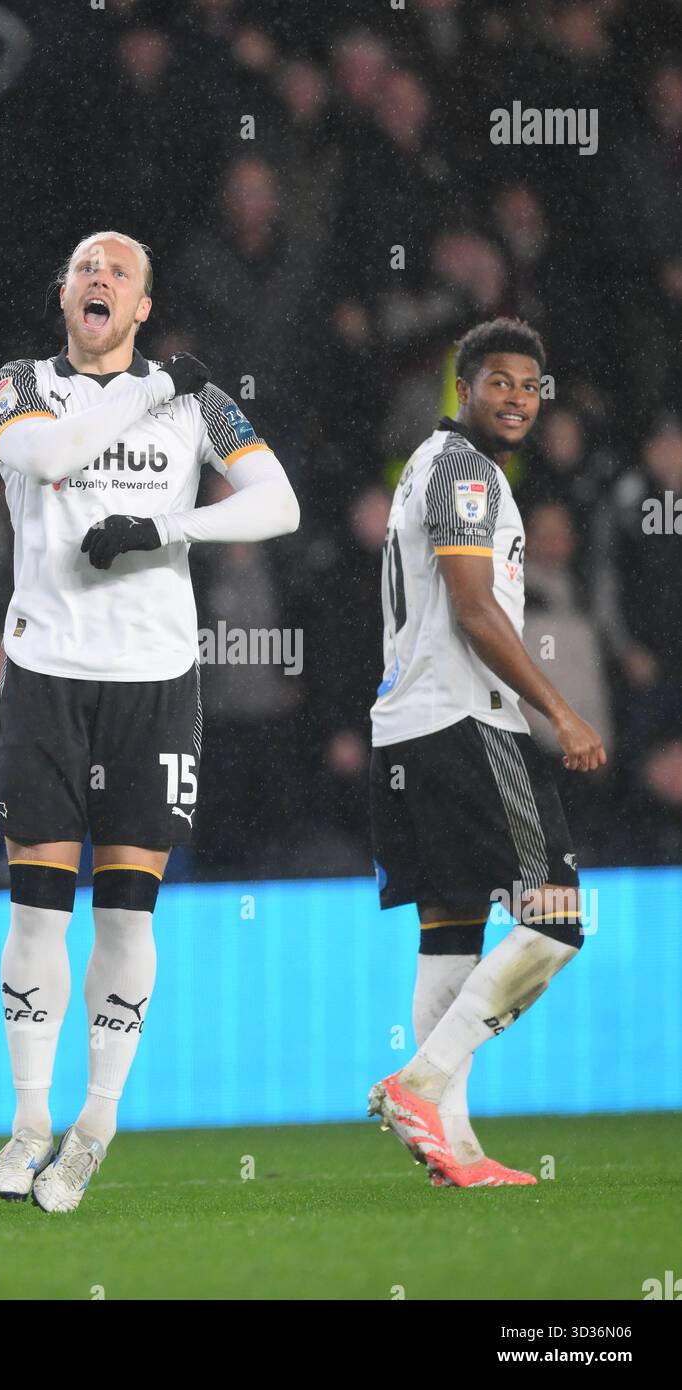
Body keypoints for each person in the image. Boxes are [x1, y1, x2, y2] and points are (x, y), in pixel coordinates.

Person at [0, 230, 299, 1212]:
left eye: (119, 270)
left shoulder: (201, 404)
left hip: (154, 678)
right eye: (82, 266)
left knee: (124, 908)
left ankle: (95, 1123)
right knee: (36, 903)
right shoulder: (18, 384)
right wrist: (147, 392)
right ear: (63, 292)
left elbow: (278, 503)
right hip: (45, 670)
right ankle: (29, 1120)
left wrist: (168, 525)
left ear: (145, 304)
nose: (99, 278)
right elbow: (55, 454)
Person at [367, 317, 606, 1187]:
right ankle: (422, 1084)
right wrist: (562, 713)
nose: (516, 398)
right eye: (498, 381)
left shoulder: (424, 470)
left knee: (452, 929)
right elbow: (473, 608)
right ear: (463, 390)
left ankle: (451, 1147)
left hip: (406, 729)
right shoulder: (467, 472)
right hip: (467, 721)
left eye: (530, 387)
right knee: (556, 920)